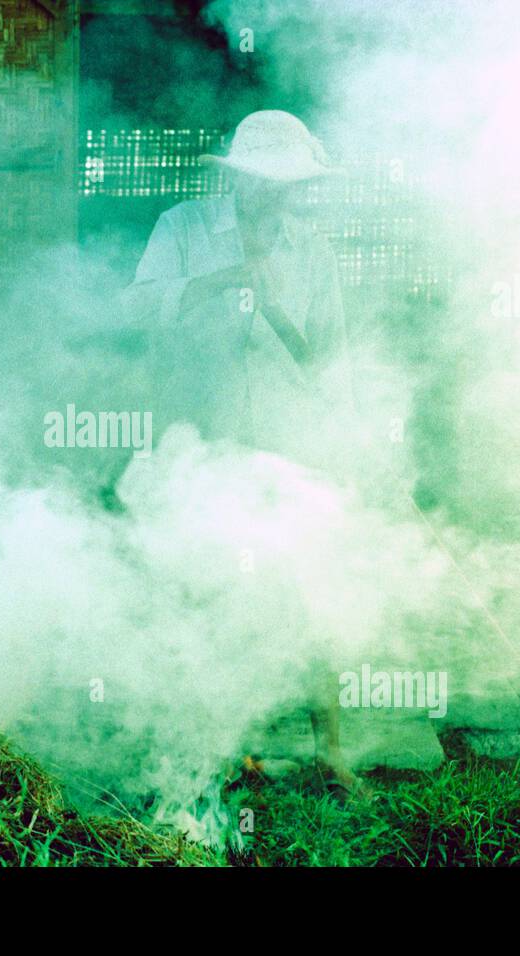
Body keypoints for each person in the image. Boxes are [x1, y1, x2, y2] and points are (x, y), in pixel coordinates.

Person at [120, 109, 362, 797]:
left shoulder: (312, 249)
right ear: (239, 176)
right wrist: (223, 280)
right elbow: (136, 310)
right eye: (260, 180)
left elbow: (331, 356)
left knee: (312, 598)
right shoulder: (184, 228)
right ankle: (211, 755)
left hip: (290, 446)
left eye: (285, 183)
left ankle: (330, 755)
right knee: (202, 597)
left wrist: (345, 439)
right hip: (201, 446)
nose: (271, 193)